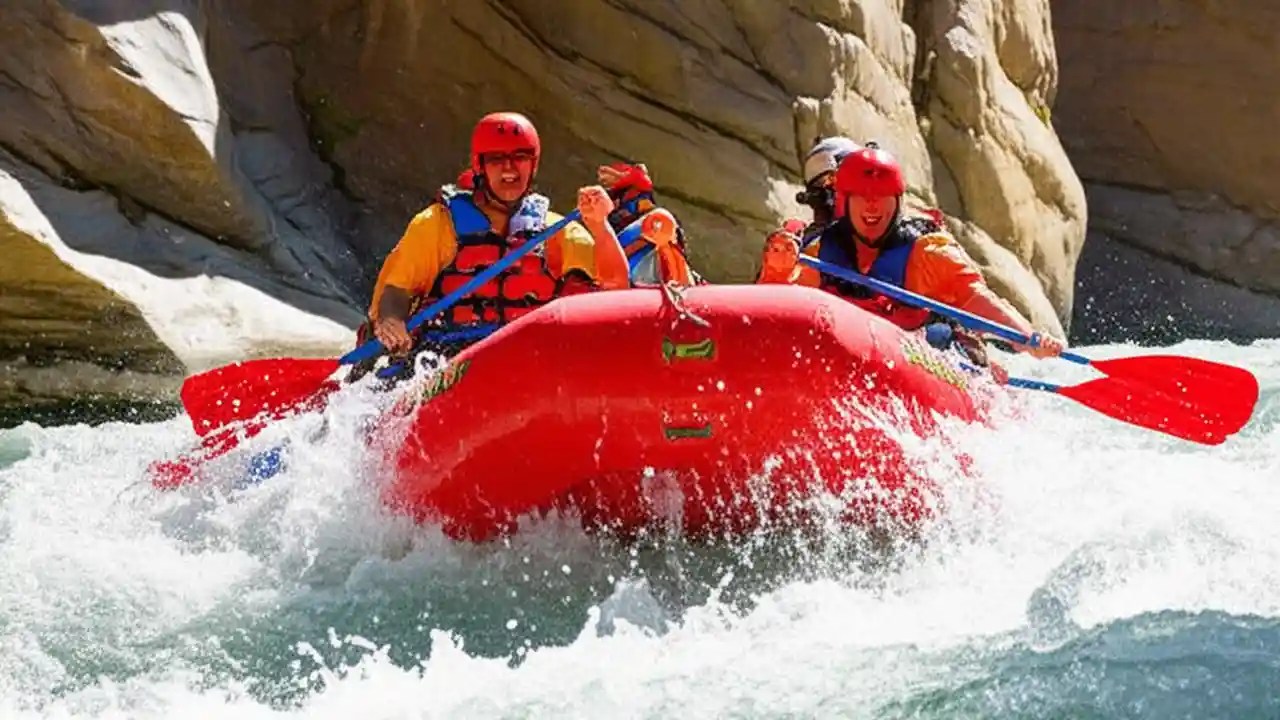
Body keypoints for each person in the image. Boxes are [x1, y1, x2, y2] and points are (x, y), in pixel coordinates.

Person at [356, 111, 631, 375]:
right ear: (480, 166)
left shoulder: (558, 232)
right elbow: (397, 290)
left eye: (520, 157)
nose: (509, 167)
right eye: (497, 158)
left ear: (533, 165)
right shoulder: (438, 225)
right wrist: (392, 320)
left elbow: (616, 289)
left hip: (530, 362)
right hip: (447, 361)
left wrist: (600, 226)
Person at [759, 144, 1066, 364]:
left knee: (943, 337)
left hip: (923, 348)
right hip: (851, 353)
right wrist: (777, 271)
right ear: (845, 200)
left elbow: (977, 300)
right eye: (862, 198)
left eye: (881, 198)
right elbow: (785, 306)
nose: (872, 207)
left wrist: (1025, 339)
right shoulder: (819, 248)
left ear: (897, 200)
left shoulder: (927, 248)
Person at [596, 161, 701, 286]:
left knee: (659, 220)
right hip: (626, 288)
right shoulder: (610, 234)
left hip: (668, 287)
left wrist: (626, 176)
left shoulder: (656, 220)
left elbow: (642, 179)